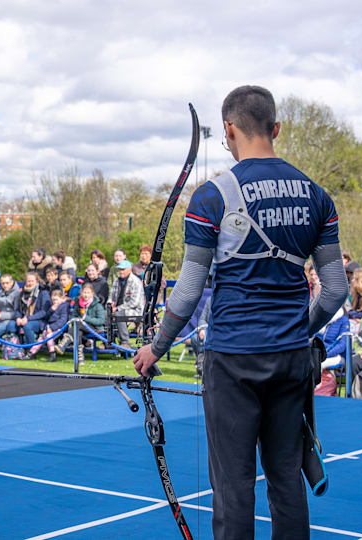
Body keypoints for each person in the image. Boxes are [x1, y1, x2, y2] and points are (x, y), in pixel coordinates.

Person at [132, 86, 348, 539]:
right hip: (291, 360)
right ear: (276, 128)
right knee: (287, 477)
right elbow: (334, 291)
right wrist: (296, 330)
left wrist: (156, 347)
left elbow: (190, 289)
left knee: (233, 487)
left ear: (229, 130)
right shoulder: (317, 196)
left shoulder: (212, 197)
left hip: (233, 359)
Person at [9, 271, 51, 348]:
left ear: (37, 281)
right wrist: (18, 317)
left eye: (32, 281)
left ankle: (31, 350)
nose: (30, 283)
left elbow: (43, 312)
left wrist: (28, 318)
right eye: (28, 281)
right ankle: (16, 348)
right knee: (11, 325)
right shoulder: (22, 293)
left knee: (27, 326)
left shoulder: (43, 293)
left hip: (39, 321)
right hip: (23, 319)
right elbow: (18, 309)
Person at [29, 288, 70, 362]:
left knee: (49, 336)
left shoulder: (64, 306)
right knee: (41, 338)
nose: (54, 302)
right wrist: (51, 310)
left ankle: (52, 354)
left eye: (56, 300)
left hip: (60, 328)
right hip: (49, 328)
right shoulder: (52, 306)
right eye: (53, 300)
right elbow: (47, 317)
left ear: (61, 298)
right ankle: (31, 353)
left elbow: (63, 320)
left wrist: (51, 327)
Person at [108, 259, 144, 344]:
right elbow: (111, 296)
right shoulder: (117, 280)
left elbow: (134, 303)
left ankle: (125, 342)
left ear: (129, 269)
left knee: (119, 314)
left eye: (123, 269)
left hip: (136, 311)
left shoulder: (136, 282)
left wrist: (117, 308)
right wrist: (109, 305)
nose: (121, 271)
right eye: (119, 269)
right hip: (119, 309)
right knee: (106, 312)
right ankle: (108, 342)